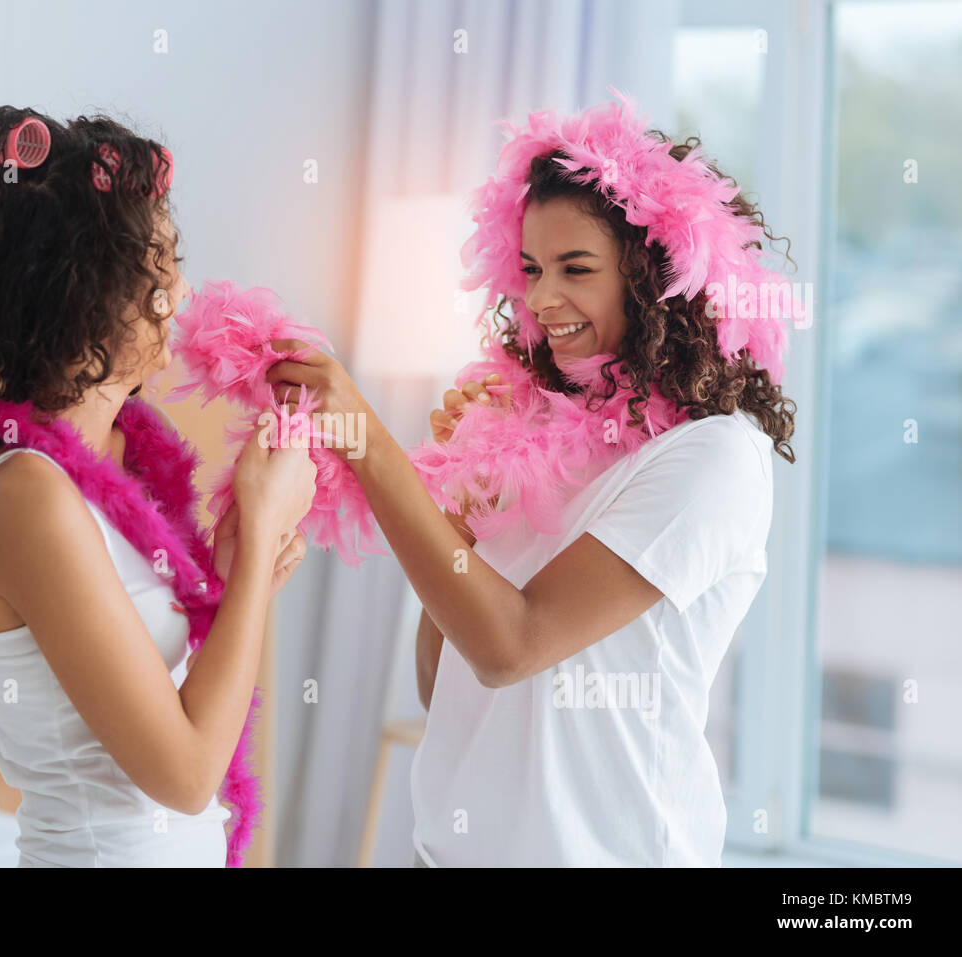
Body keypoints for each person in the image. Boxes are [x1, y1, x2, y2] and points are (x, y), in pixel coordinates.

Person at [264, 94, 798, 866]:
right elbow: (441, 679)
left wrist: (368, 441)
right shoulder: (535, 438)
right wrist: (457, 513)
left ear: (655, 277)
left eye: (576, 269)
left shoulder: (713, 458)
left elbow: (510, 645)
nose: (543, 300)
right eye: (533, 270)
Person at [0, 107, 316, 867]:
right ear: (84, 294)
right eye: (159, 266)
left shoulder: (122, 462)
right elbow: (187, 776)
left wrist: (238, 582)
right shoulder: (24, 495)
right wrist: (260, 535)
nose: (181, 290)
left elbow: (178, 702)